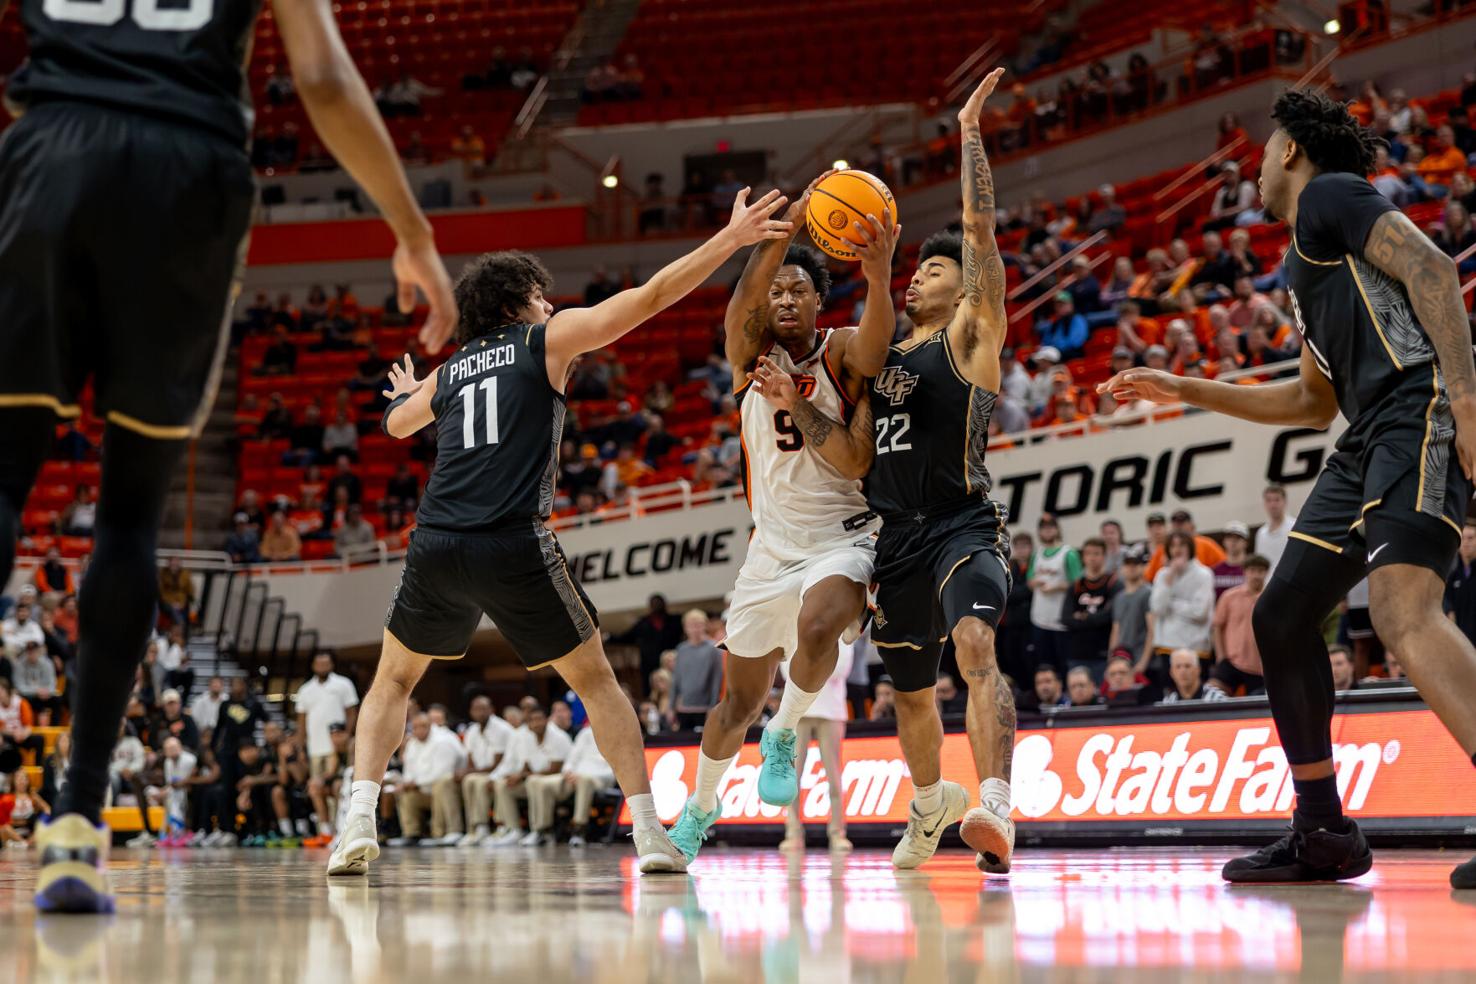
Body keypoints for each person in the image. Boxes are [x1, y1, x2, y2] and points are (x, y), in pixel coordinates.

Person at [0, 0, 457, 912]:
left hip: (47, 148)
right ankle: (76, 830)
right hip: (184, 170)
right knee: (130, 519)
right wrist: (414, 230)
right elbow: (322, 78)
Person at [329, 186, 789, 880]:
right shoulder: (545, 338)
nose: (550, 304)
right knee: (598, 682)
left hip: (438, 542)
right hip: (512, 539)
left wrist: (407, 392)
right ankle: (650, 836)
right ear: (519, 302)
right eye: (541, 296)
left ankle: (357, 822)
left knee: (392, 681)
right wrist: (729, 241)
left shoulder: (451, 371)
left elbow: (397, 425)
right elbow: (652, 296)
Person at [1102, 89, 1476, 888]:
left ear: (1294, 154)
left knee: (1402, 611)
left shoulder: (1332, 195)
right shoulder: (1302, 260)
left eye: (1265, 150)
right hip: (1364, 433)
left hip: (1419, 405)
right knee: (1280, 614)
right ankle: (1323, 831)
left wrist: (1468, 401)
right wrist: (1184, 386)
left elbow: (1436, 271)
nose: (1258, 165)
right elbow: (1310, 402)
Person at [751, 70, 1021, 875]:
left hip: (962, 521)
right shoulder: (877, 365)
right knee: (909, 691)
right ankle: (932, 808)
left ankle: (998, 805)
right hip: (892, 537)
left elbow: (980, 235)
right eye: (916, 274)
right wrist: (797, 404)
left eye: (930, 273)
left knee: (976, 643)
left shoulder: (970, 337)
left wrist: (969, 129)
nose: (917, 280)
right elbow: (852, 457)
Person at [662, 169, 897, 865]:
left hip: (843, 537)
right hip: (770, 549)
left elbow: (877, 355)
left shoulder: (842, 352)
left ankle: (787, 732)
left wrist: (880, 280)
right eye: (778, 290)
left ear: (821, 301)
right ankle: (698, 812)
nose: (785, 297)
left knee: (820, 624)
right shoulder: (748, 354)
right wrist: (784, 229)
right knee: (734, 705)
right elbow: (739, 305)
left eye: (800, 288)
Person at [778, 640, 855, 854]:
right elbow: (787, 669)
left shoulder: (840, 629)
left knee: (834, 776)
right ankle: (792, 832)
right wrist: (818, 661)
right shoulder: (795, 628)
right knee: (793, 775)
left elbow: (841, 668)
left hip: (831, 710)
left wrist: (807, 663)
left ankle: (837, 832)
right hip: (797, 710)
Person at [487, 706, 572, 846]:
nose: (536, 723)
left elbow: (554, 769)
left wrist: (524, 775)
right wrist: (517, 776)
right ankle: (513, 829)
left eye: (539, 719)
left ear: (547, 720)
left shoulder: (558, 737)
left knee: (534, 781)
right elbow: (526, 765)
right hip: (536, 780)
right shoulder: (527, 738)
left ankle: (540, 830)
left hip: (561, 782)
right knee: (503, 784)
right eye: (532, 721)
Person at [524, 721, 615, 848]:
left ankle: (579, 830)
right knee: (536, 781)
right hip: (574, 776)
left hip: (599, 778)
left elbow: (615, 770)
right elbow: (572, 757)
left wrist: (583, 775)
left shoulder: (618, 733)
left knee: (584, 780)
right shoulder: (585, 733)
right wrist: (567, 772)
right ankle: (542, 830)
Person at [1146, 532, 1214, 688]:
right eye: (1173, 546)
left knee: (1197, 695)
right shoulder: (1162, 574)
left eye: (1181, 545)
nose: (1177, 549)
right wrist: (1170, 577)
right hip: (1167, 646)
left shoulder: (1204, 574)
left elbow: (1199, 612)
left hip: (1196, 646)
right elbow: (1157, 608)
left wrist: (1172, 604)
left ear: (1190, 547)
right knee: (1170, 696)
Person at [389, 712, 466, 847]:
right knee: (406, 793)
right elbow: (409, 771)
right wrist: (407, 783)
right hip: (425, 789)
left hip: (453, 789)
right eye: (415, 727)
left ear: (431, 725)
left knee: (441, 784)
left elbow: (443, 773)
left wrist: (415, 783)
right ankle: (412, 834)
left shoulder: (444, 740)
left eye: (423, 726)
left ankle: (445, 833)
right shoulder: (412, 743)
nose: (419, 730)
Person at [455, 695, 515, 845]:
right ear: (471, 712)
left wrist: (471, 772)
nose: (480, 712)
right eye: (476, 709)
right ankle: (474, 829)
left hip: (502, 770)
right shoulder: (472, 731)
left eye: (483, 709)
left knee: (476, 781)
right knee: (469, 781)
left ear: (491, 710)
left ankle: (484, 826)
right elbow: (470, 760)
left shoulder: (502, 729)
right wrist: (468, 771)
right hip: (481, 772)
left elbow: (498, 762)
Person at [1027, 514, 1079, 676]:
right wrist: (1035, 583)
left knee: (1063, 663)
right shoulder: (1037, 554)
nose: (1047, 531)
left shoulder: (1068, 553)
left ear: (1057, 529)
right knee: (1044, 663)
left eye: (1050, 527)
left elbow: (1078, 584)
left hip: (1060, 620)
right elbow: (1029, 580)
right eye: (1043, 528)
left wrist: (1057, 587)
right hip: (1039, 618)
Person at [294, 652, 359, 780]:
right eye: (319, 664)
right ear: (313, 666)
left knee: (338, 783)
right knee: (316, 784)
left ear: (332, 665)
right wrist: (300, 748)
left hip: (337, 746)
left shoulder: (343, 684)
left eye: (326, 663)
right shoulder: (305, 689)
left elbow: (351, 712)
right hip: (314, 746)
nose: (322, 667)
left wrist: (347, 733)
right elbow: (301, 721)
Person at [1061, 537, 1118, 682]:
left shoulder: (1112, 583)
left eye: (1096, 553)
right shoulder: (1075, 586)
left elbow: (1110, 615)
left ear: (1104, 556)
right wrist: (1095, 618)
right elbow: (1066, 618)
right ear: (1083, 557)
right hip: (1077, 653)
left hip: (1102, 654)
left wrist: (1082, 617)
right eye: (1088, 554)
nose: (1092, 558)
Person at [1213, 555, 1269, 695]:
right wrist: (1221, 657)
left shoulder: (1271, 599)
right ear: (1244, 572)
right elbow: (1217, 626)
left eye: (1260, 571)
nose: (1256, 575)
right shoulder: (1229, 596)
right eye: (1252, 570)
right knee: (1213, 692)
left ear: (1266, 573)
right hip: (1231, 661)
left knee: (1258, 707)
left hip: (1260, 667)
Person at [669, 609, 723, 731]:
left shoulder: (713, 648)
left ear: (705, 625)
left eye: (698, 625)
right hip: (684, 708)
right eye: (691, 625)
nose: (695, 629)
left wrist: (712, 707)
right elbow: (676, 679)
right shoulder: (681, 649)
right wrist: (671, 707)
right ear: (685, 627)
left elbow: (717, 679)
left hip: (704, 709)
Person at [1109, 543, 1154, 673]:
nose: (1131, 568)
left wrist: (1143, 662)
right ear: (1122, 568)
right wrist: (1111, 661)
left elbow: (1152, 631)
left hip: (1145, 663)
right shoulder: (1119, 597)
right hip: (1122, 661)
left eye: (1136, 564)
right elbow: (1116, 630)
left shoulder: (1148, 592)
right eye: (1128, 564)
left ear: (1143, 566)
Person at [1445, 522, 1476, 646]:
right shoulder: (1453, 578)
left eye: (1471, 538)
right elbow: (1448, 610)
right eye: (1462, 538)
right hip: (1462, 648)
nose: (1466, 543)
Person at [1159, 648, 1229, 703]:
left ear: (1198, 670)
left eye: (1187, 666)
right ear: (1171, 672)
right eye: (1178, 667)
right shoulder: (1168, 703)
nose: (1183, 671)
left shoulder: (1217, 699)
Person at [1255, 484, 1296, 573]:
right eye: (1268, 500)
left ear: (1285, 502)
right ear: (1264, 503)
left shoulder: (1295, 527)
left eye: (1277, 500)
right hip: (1267, 585)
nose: (1273, 505)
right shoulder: (1261, 533)